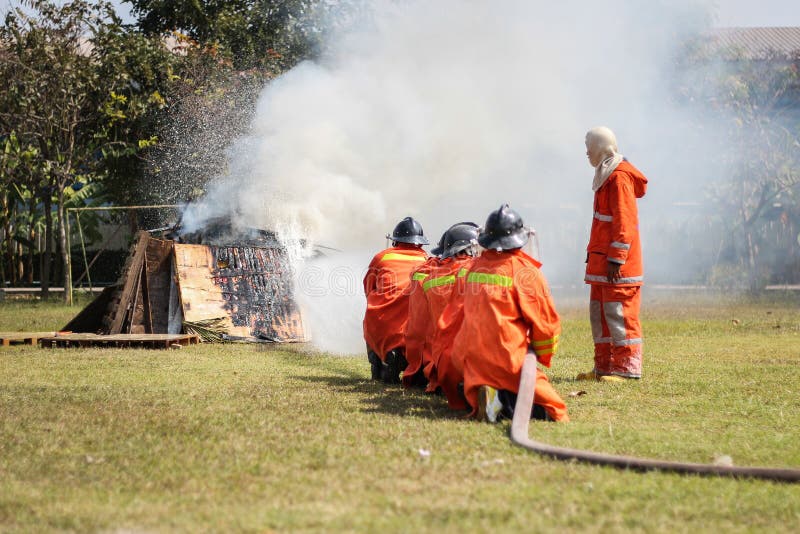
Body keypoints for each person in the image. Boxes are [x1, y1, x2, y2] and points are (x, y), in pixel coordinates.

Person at [450, 205, 569, 422]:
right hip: (508, 358)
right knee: (555, 410)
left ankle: (485, 395)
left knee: (481, 380)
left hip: (470, 357)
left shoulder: (474, 268)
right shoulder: (525, 272)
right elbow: (546, 325)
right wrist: (541, 355)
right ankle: (502, 401)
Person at [578, 126, 648, 382]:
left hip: (617, 267)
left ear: (602, 147)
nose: (586, 152)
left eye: (590, 146)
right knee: (601, 317)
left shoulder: (619, 177)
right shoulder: (605, 175)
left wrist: (616, 258)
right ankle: (604, 367)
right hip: (602, 265)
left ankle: (626, 369)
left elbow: (624, 222)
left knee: (620, 317)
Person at [414, 223, 480, 399]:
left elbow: (420, 326)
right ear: (470, 248)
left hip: (441, 362)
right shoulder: (476, 271)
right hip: (474, 357)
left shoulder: (431, 277)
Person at [363, 217, 428, 383]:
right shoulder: (426, 261)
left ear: (395, 241)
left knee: (369, 320)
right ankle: (410, 363)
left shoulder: (381, 258)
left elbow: (368, 289)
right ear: (419, 242)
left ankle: (379, 362)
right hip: (411, 331)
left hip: (381, 326)